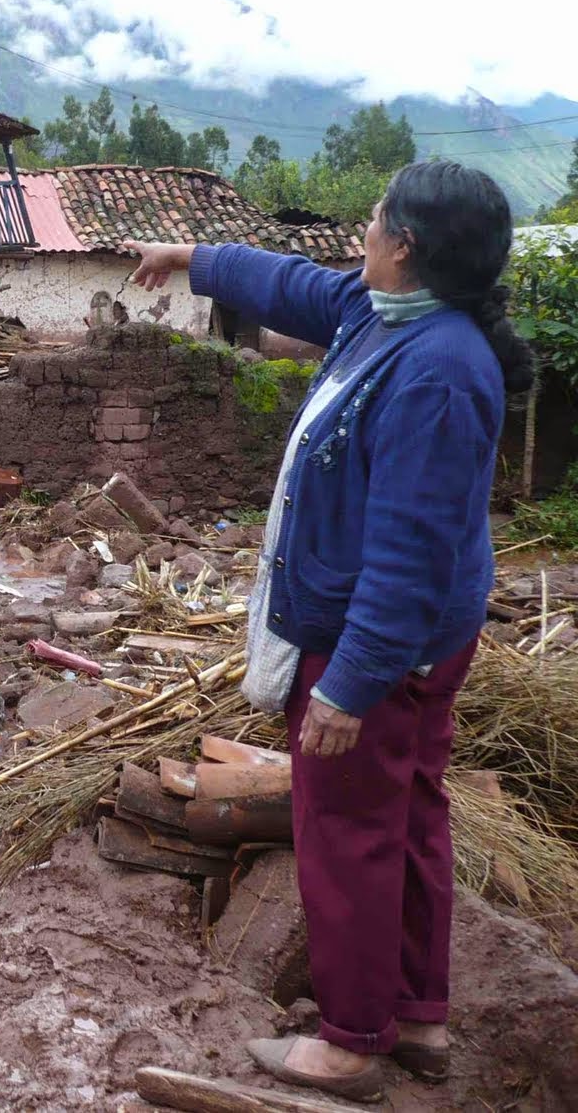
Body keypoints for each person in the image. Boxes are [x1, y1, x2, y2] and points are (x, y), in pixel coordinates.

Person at [126, 161, 532, 1103]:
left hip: (378, 641)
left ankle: (351, 1042)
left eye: (377, 216)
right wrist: (188, 256)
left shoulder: (435, 370)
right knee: (409, 810)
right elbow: (288, 283)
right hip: (411, 635)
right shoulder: (386, 315)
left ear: (409, 247)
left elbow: (406, 551)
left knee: (346, 828)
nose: (362, 226)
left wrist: (350, 684)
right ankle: (418, 1019)